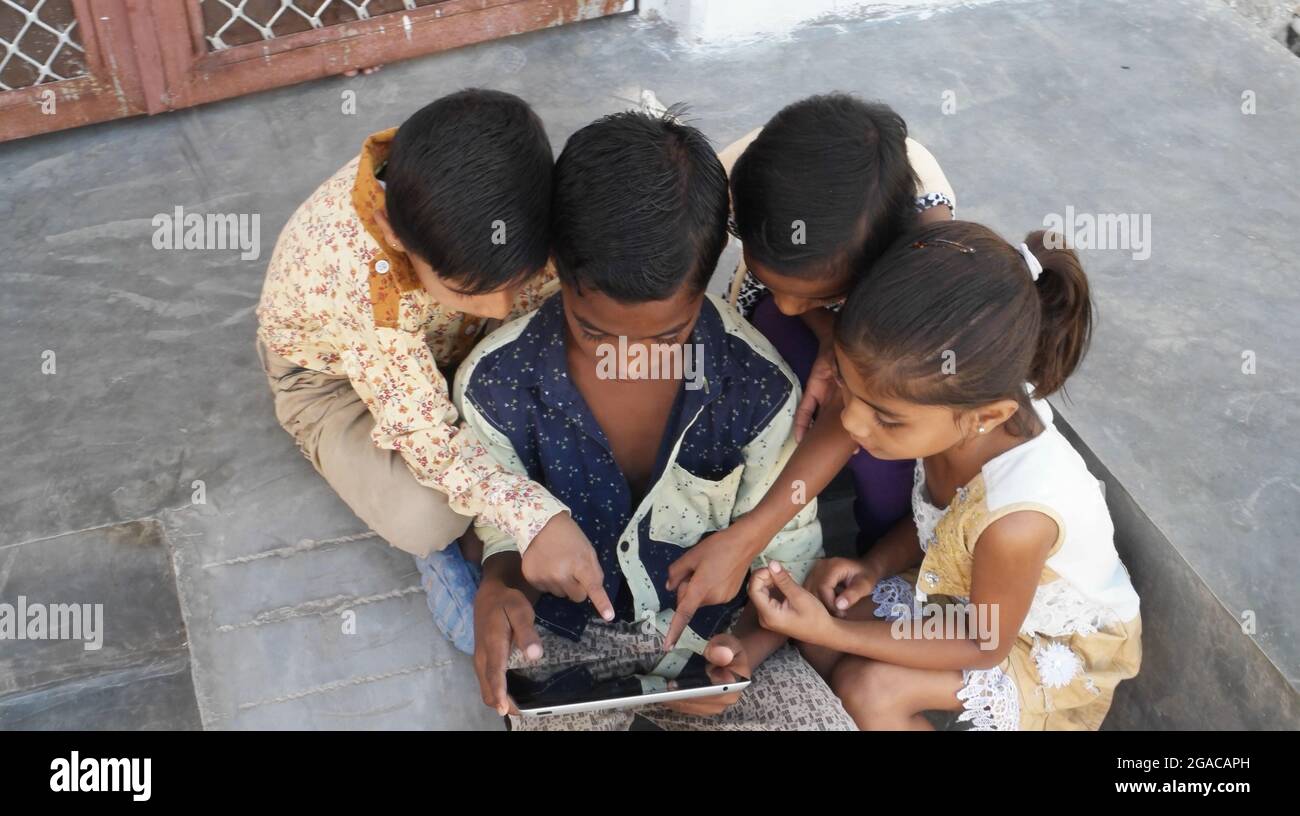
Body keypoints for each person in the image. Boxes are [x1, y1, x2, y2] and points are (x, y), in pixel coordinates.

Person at [453, 109, 856, 730]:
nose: (628, 358)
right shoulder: (496, 383)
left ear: (709, 283)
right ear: (556, 264)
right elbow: (503, 527)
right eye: (593, 331)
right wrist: (496, 587)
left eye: (669, 335)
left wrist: (743, 650)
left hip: (715, 629)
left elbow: (785, 560)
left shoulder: (758, 386)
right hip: (564, 633)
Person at [255, 89, 614, 655]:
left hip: (450, 349)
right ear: (398, 240)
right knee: (426, 516)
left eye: (516, 282)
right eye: (470, 291)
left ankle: (490, 502)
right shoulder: (362, 276)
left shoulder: (510, 209)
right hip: (338, 381)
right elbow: (428, 440)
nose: (501, 306)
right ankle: (460, 546)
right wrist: (534, 519)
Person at [747, 220, 1142, 730]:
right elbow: (943, 523)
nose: (851, 423)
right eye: (846, 388)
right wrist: (873, 566)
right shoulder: (957, 419)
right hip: (972, 599)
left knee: (870, 690)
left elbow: (982, 642)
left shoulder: (1017, 519)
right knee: (827, 610)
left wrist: (833, 633)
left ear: (988, 416)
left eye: (884, 417)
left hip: (1033, 641)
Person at [664, 94, 957, 647]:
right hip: (798, 309)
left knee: (883, 463)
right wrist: (823, 328)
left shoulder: (922, 258)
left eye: (815, 293)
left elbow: (851, 418)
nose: (794, 304)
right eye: (774, 279)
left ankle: (871, 570)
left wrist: (748, 539)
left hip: (876, 323)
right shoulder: (732, 178)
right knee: (765, 391)